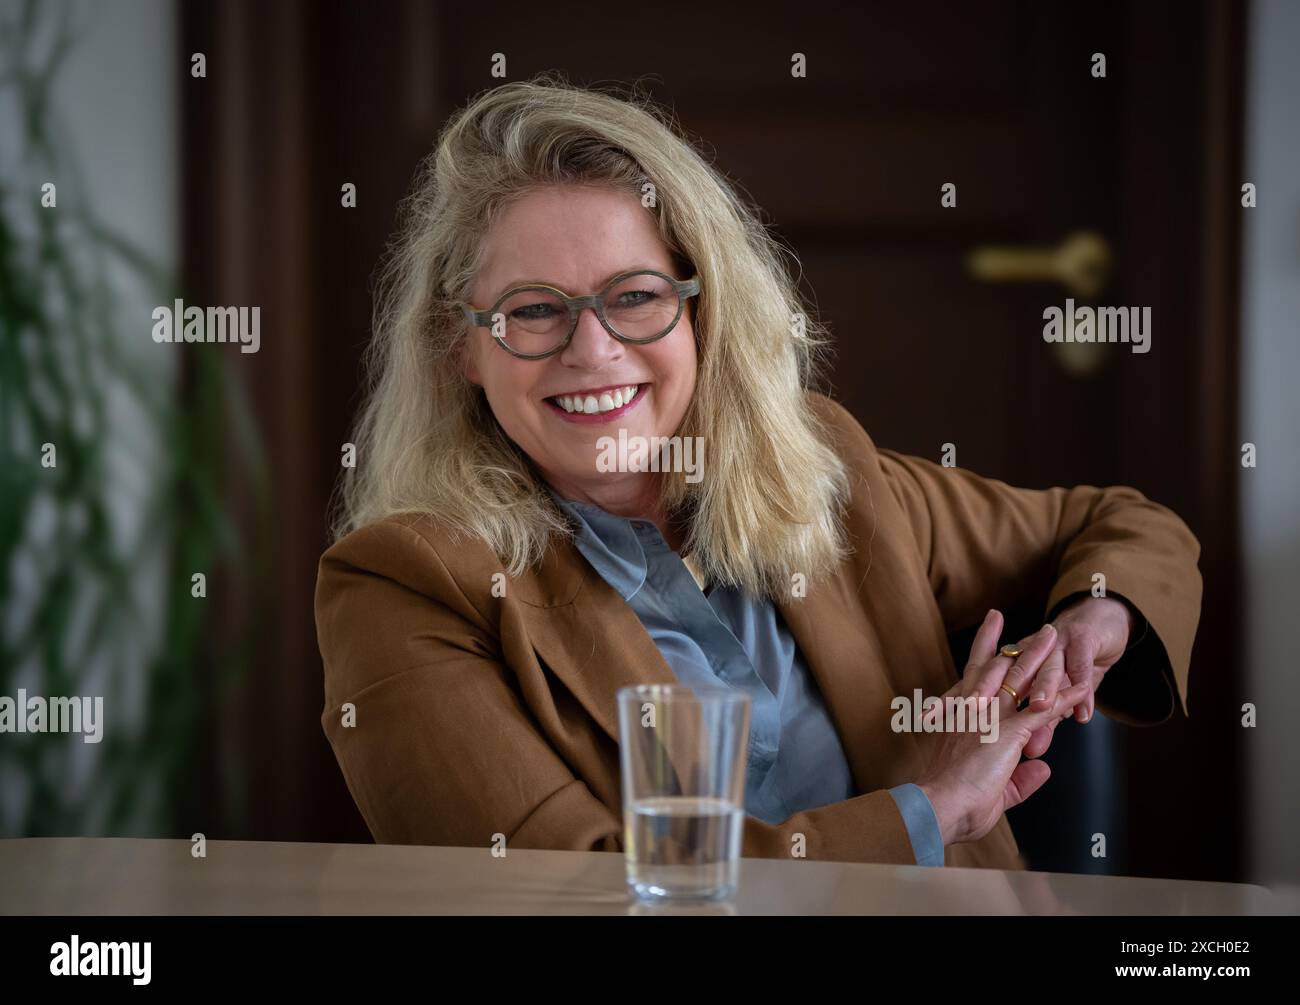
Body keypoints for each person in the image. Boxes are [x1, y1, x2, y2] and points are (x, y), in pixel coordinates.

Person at [314, 75, 1201, 868]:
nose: (594, 350)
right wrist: (928, 813)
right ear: (459, 347)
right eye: (534, 309)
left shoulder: (824, 464)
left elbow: (1122, 523)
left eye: (635, 296)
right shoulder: (405, 585)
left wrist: (1097, 613)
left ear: (704, 312)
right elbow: (575, 885)